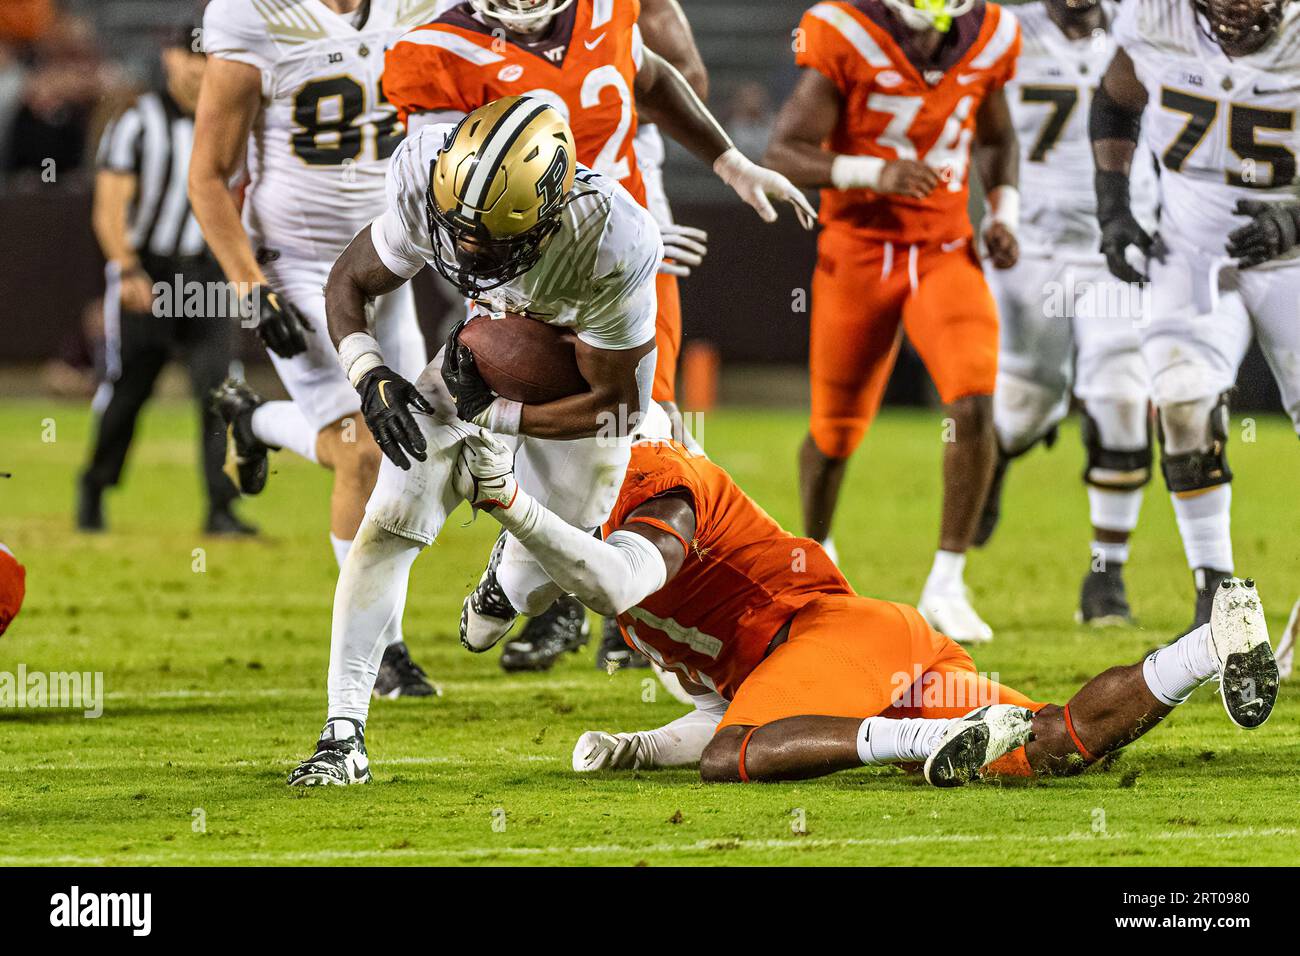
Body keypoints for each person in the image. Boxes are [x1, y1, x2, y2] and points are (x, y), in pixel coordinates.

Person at [286, 93, 810, 785]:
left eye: (491, 239)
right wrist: (369, 372)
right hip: (474, 363)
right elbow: (350, 279)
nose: (468, 249)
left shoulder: (612, 239)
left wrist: (497, 417)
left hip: (572, 395)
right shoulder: (423, 168)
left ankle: (508, 582)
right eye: (458, 230)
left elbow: (616, 408)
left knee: (574, 582)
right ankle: (341, 735)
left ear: (548, 216)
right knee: (387, 523)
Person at [452, 429, 1280, 784]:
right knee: (1057, 744)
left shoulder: (660, 482)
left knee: (730, 759)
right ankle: (1212, 643)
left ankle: (928, 739)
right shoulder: (579, 520)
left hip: (826, 640)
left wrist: (516, 517)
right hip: (868, 650)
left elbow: (619, 580)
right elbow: (482, 628)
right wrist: (638, 749)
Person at [379, 0, 718, 672]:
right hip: (517, 256)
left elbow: (677, 80)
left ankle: (632, 608)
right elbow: (453, 192)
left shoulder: (615, 18)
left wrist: (715, 169)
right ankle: (551, 590)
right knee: (552, 418)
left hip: (619, 244)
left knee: (647, 422)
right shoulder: (439, 40)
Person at [191, 0, 442, 697]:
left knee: (403, 447)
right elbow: (208, 173)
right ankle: (386, 651)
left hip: (391, 256)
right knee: (363, 452)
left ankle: (255, 421)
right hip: (299, 262)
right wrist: (250, 287)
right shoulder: (254, 14)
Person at [763, 0, 1022, 643]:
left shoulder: (988, 33)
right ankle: (816, 556)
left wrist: (1003, 214)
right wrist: (876, 172)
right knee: (834, 435)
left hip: (943, 250)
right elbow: (784, 151)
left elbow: (997, 137)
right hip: (858, 252)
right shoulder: (845, 30)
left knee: (974, 400)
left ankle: (947, 580)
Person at [1089, 0, 1300, 632]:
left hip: (1294, 259)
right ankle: (1216, 594)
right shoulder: (1156, 17)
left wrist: (1294, 216)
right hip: (1193, 248)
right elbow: (1114, 103)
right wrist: (1114, 209)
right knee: (1181, 402)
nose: (1239, 9)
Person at [976, 0, 1158, 626]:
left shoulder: (1148, 24)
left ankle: (1106, 576)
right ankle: (996, 455)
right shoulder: (1003, 32)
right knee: (1024, 404)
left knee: (1123, 397)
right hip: (1031, 246)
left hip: (1120, 244)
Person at [77, 24, 250, 536]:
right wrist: (126, 269)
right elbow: (108, 209)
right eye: (189, 57)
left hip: (207, 274)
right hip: (149, 272)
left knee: (220, 390)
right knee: (128, 390)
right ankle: (95, 487)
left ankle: (221, 509)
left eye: (208, 59)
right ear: (169, 59)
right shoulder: (137, 122)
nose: (198, 69)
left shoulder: (235, 122)